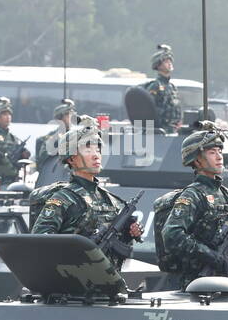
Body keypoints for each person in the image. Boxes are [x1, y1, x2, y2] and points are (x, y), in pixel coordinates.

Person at [30, 116, 143, 272]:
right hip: (73, 285)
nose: (96, 155)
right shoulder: (63, 199)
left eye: (97, 149)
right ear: (71, 159)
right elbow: (40, 243)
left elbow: (121, 248)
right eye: (87, 149)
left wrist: (129, 233)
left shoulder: (112, 201)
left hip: (108, 285)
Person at [159, 122, 228, 288]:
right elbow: (171, 234)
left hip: (226, 278)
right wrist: (210, 255)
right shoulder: (193, 195)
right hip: (196, 282)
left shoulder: (227, 196)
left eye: (220, 151)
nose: (219, 156)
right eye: (212, 152)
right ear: (197, 161)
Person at [141, 43, 182, 132]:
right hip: (160, 131)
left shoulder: (172, 87)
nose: (170, 64)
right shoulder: (155, 86)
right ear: (158, 65)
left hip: (173, 130)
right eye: (166, 61)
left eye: (170, 61)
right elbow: (148, 109)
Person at [33, 99, 78, 172]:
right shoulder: (52, 138)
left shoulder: (78, 135)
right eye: (67, 115)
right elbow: (43, 158)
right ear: (60, 118)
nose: (71, 117)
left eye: (71, 114)